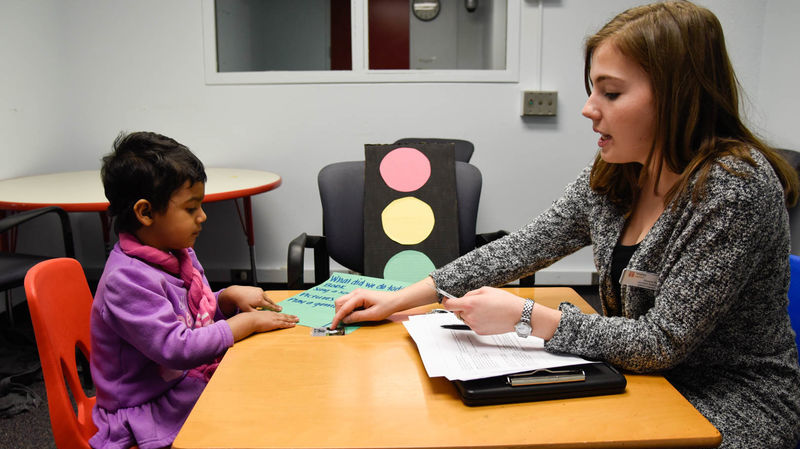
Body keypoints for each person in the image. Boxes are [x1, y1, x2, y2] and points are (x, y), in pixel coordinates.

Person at [331, 2, 800, 448]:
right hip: (643, 378)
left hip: (731, 399)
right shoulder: (620, 170)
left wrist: (526, 317)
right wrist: (402, 297)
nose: (589, 108)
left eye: (611, 93)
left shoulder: (734, 187)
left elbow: (661, 342)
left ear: (679, 95)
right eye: (592, 89)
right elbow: (520, 248)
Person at [90, 131, 299, 449]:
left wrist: (225, 299)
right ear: (145, 212)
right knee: (256, 418)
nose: (202, 217)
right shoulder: (125, 281)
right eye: (191, 209)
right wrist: (241, 324)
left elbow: (187, 313)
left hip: (178, 384)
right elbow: (177, 347)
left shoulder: (175, 251)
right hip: (148, 410)